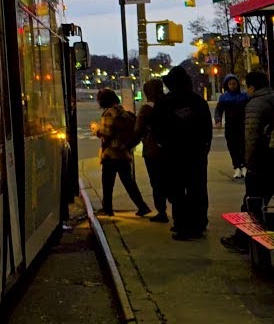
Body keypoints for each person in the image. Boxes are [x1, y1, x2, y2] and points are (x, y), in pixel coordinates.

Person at [221, 70, 274, 252]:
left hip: (262, 160)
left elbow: (251, 136)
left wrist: (249, 161)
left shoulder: (255, 104)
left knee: (252, 202)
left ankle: (243, 240)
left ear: (252, 87)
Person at [152, 66, 212, 240]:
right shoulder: (198, 101)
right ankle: (199, 223)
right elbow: (206, 128)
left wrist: (163, 144)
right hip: (196, 152)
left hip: (173, 153)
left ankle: (181, 224)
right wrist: (204, 147)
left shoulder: (164, 102)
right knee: (198, 188)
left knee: (177, 191)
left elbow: (157, 128)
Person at [91, 88, 151, 217]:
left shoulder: (109, 113)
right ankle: (142, 206)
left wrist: (96, 129)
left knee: (107, 183)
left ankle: (107, 209)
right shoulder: (122, 111)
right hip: (123, 152)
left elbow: (106, 133)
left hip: (111, 153)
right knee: (128, 182)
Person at [134, 78, 171, 223]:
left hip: (152, 150)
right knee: (168, 178)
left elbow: (138, 130)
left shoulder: (146, 109)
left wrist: (130, 144)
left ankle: (161, 211)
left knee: (156, 182)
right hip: (168, 149)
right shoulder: (167, 105)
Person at [213, 74, 249, 179]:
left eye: (234, 83)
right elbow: (218, 110)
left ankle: (244, 165)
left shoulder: (244, 96)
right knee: (232, 146)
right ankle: (237, 166)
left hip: (242, 124)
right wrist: (218, 120)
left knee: (243, 145)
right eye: (230, 84)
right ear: (227, 85)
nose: (232, 86)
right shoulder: (224, 97)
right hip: (230, 126)